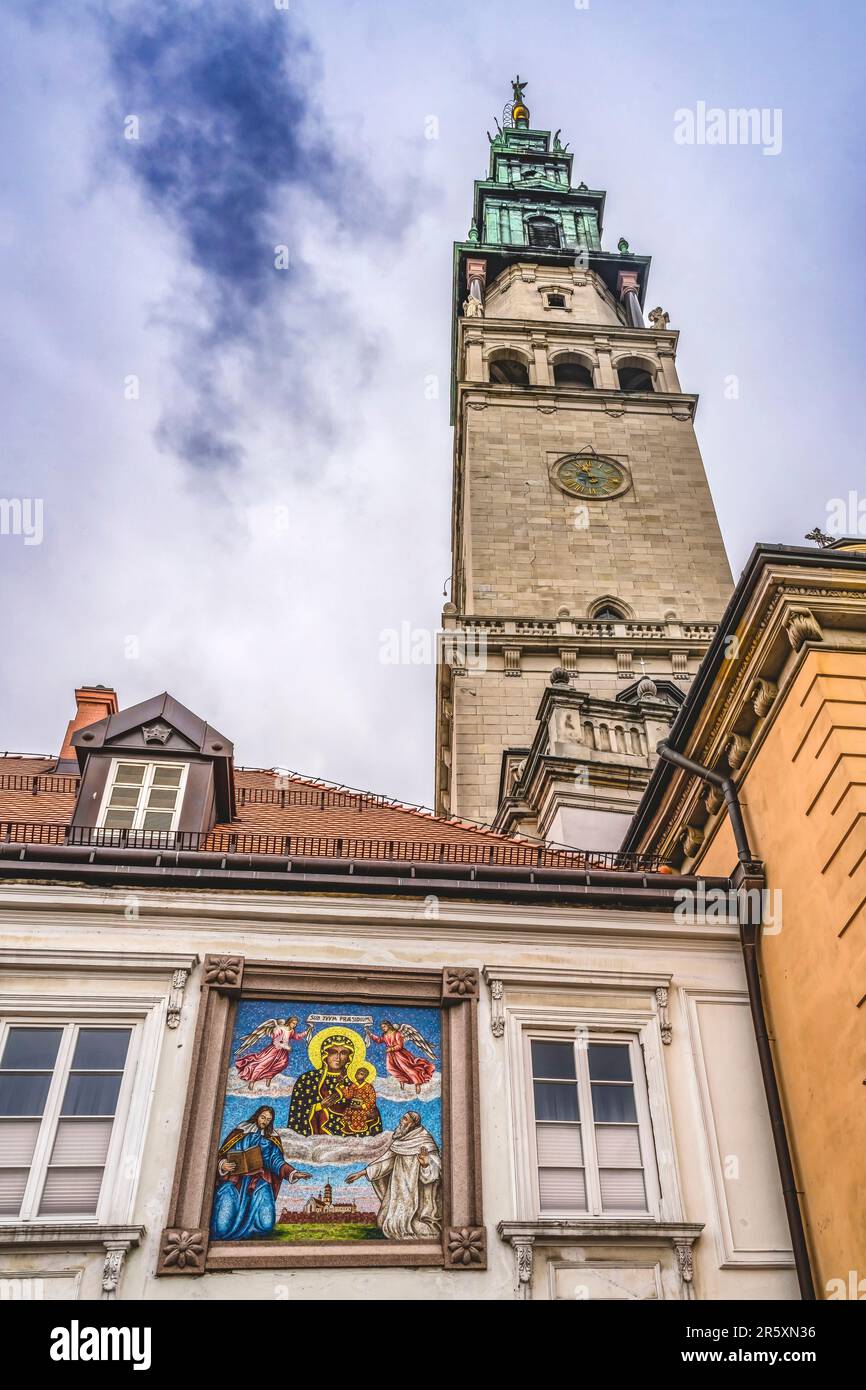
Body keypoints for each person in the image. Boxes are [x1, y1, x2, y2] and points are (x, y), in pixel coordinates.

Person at [211, 1105, 309, 1240]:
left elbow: (275, 1160)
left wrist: (292, 1173)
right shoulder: (241, 1131)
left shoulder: (271, 1138)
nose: (265, 1121)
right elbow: (222, 1154)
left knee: (267, 1224)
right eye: (263, 1117)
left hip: (259, 1181)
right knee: (222, 1227)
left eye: (269, 1119)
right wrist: (223, 1165)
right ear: (257, 1116)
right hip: (234, 1181)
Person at [346, 1111, 441, 1239]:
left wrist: (425, 1164)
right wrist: (361, 1173)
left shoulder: (425, 1140)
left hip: (415, 1190)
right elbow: (384, 1162)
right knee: (384, 1222)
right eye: (402, 1118)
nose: (401, 1121)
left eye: (405, 1119)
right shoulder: (400, 1141)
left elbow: (436, 1170)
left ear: (412, 1124)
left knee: (410, 1226)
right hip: (398, 1187)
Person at [288, 1032, 383, 1137]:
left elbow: (370, 1106)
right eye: (333, 1052)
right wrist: (319, 1106)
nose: (338, 1057)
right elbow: (297, 1112)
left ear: (349, 1057)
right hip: (318, 1135)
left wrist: (368, 1111)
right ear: (325, 1054)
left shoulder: (353, 1080)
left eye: (343, 1053)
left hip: (349, 1133)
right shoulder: (308, 1079)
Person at [233, 1015, 310, 1090]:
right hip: (274, 1050)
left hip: (283, 1053)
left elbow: (296, 1037)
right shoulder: (280, 1029)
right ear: (289, 1022)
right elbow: (275, 1041)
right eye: (293, 1023)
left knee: (281, 1064)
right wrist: (285, 1046)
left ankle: (268, 1078)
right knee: (263, 1064)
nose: (294, 1025)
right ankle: (252, 1081)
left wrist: (307, 1031)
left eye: (295, 1024)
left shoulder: (291, 1031)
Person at [366, 1019, 435, 1094]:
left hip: (400, 1055)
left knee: (407, 1068)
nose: (383, 1028)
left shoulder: (397, 1034)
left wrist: (392, 1048)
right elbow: (379, 1040)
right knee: (392, 1068)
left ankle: (417, 1083)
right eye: (382, 1027)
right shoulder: (384, 1035)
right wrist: (370, 1034)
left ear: (389, 1026)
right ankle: (402, 1084)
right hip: (391, 1056)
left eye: (384, 1027)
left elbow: (400, 1045)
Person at [339, 1065, 382, 1135]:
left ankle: (358, 1133)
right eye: (357, 1073)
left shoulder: (368, 1087)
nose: (357, 1075)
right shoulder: (353, 1085)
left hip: (365, 1107)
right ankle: (349, 1129)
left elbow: (372, 1099)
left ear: (364, 1077)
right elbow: (348, 1096)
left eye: (361, 1074)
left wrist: (363, 1106)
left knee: (357, 1115)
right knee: (347, 1112)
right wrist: (342, 1086)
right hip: (355, 1105)